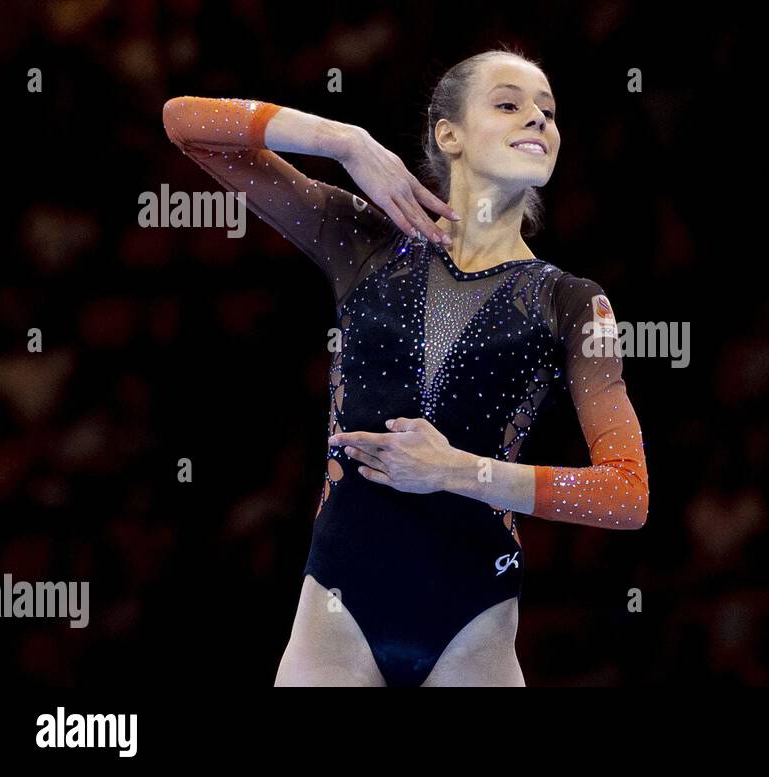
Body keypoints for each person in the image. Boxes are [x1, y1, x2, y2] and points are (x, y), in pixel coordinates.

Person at [162, 48, 649, 686]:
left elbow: (626, 495)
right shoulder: (365, 240)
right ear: (447, 134)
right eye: (509, 104)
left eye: (549, 113)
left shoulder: (572, 302)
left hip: (473, 628)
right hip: (336, 614)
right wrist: (343, 140)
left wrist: (460, 471)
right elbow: (186, 123)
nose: (538, 120)